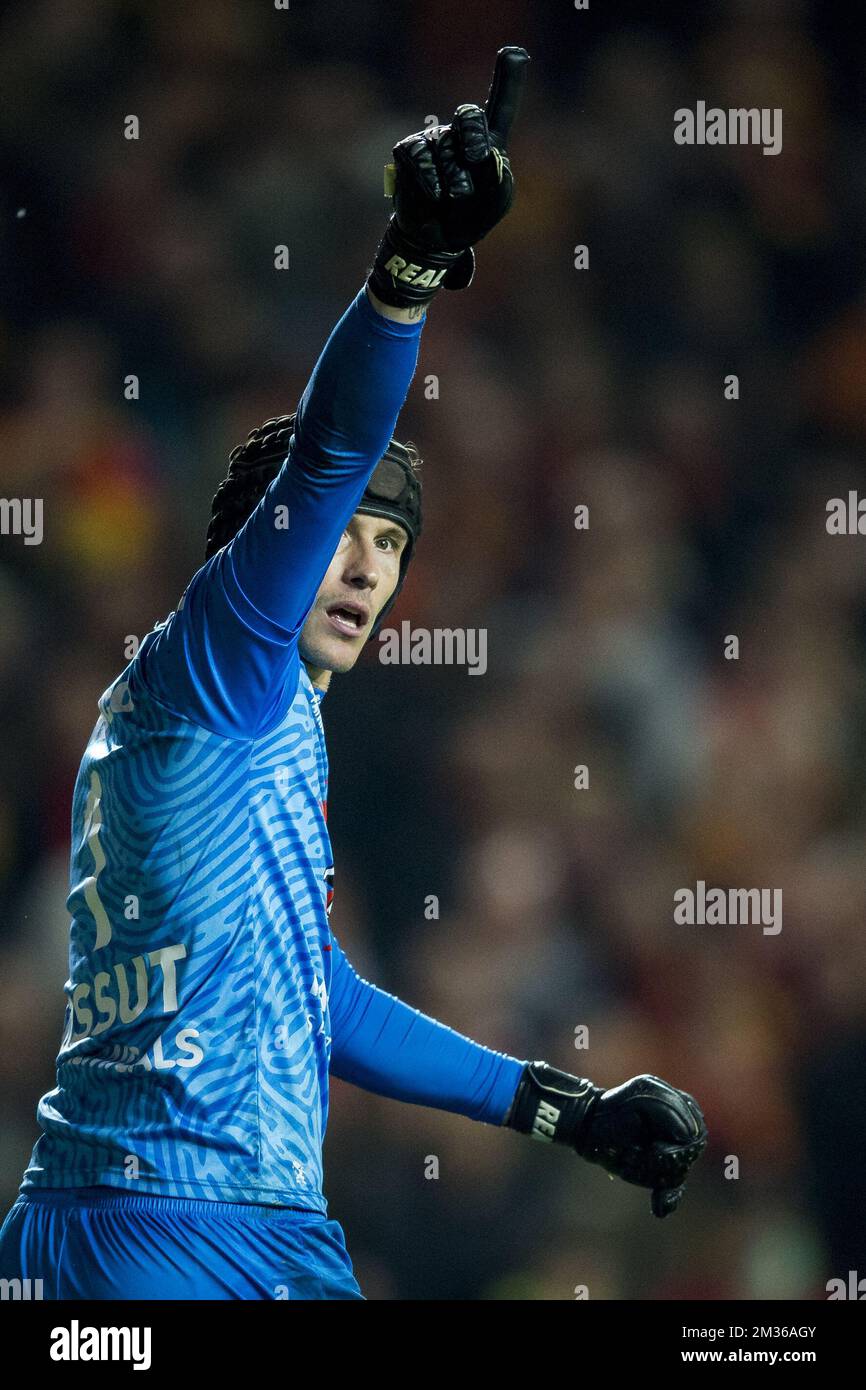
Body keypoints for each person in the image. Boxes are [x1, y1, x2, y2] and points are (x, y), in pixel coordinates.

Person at [0, 48, 707, 1300]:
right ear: (254, 551)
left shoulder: (250, 724)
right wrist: (408, 274)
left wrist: (558, 1107)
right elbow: (330, 453)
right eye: (344, 534)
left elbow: (311, 997)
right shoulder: (220, 655)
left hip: (181, 1228)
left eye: (393, 545)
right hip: (169, 1228)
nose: (366, 564)